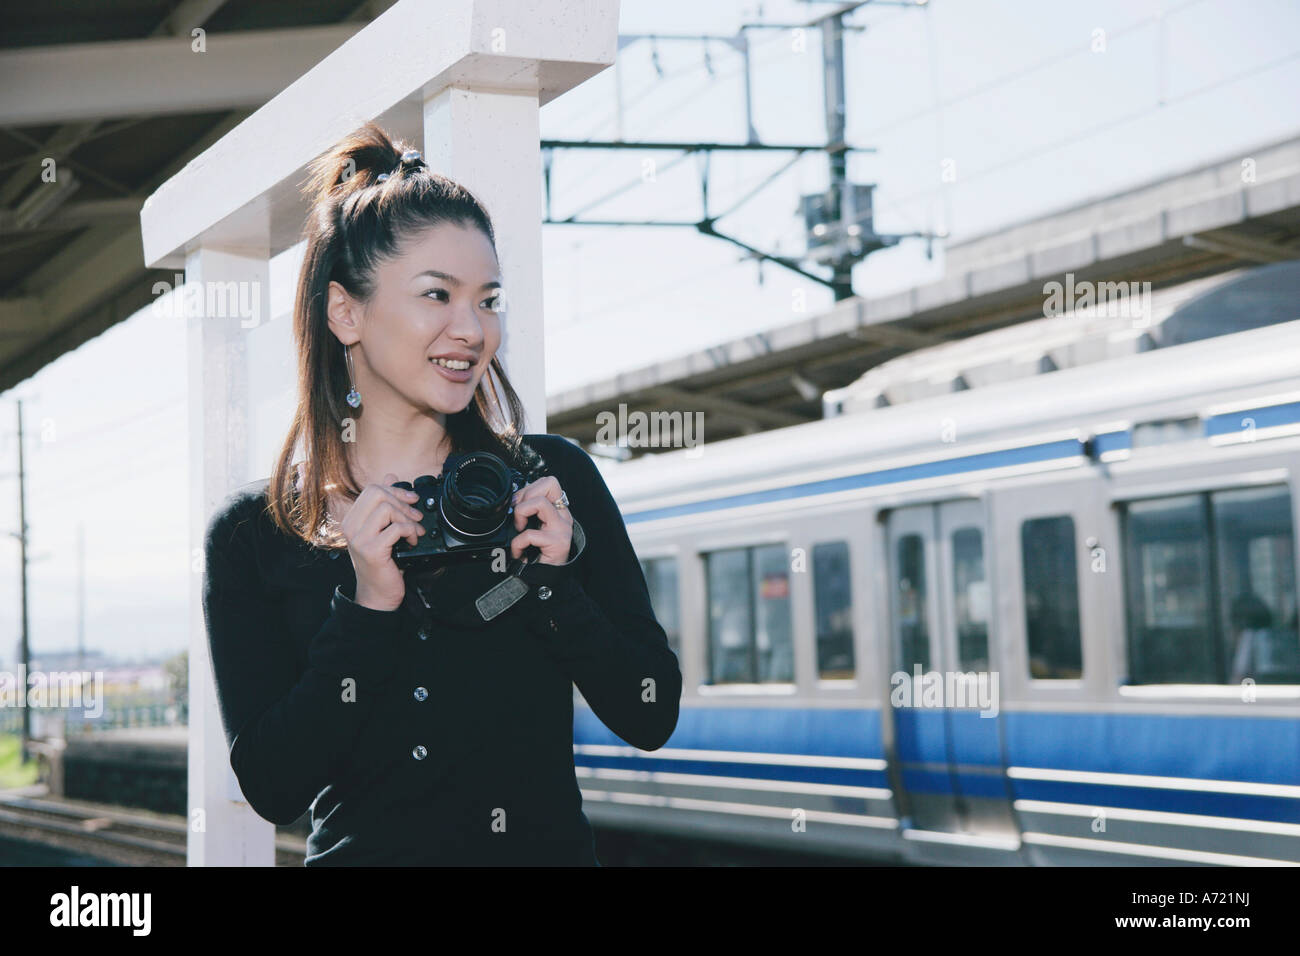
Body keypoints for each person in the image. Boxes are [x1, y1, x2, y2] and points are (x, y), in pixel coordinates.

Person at [201, 122, 681, 866]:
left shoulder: (552, 481)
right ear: (345, 313)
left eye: (488, 299)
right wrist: (365, 607)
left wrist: (555, 588)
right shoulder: (254, 535)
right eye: (438, 295)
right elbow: (273, 784)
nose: (473, 329)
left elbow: (651, 713)